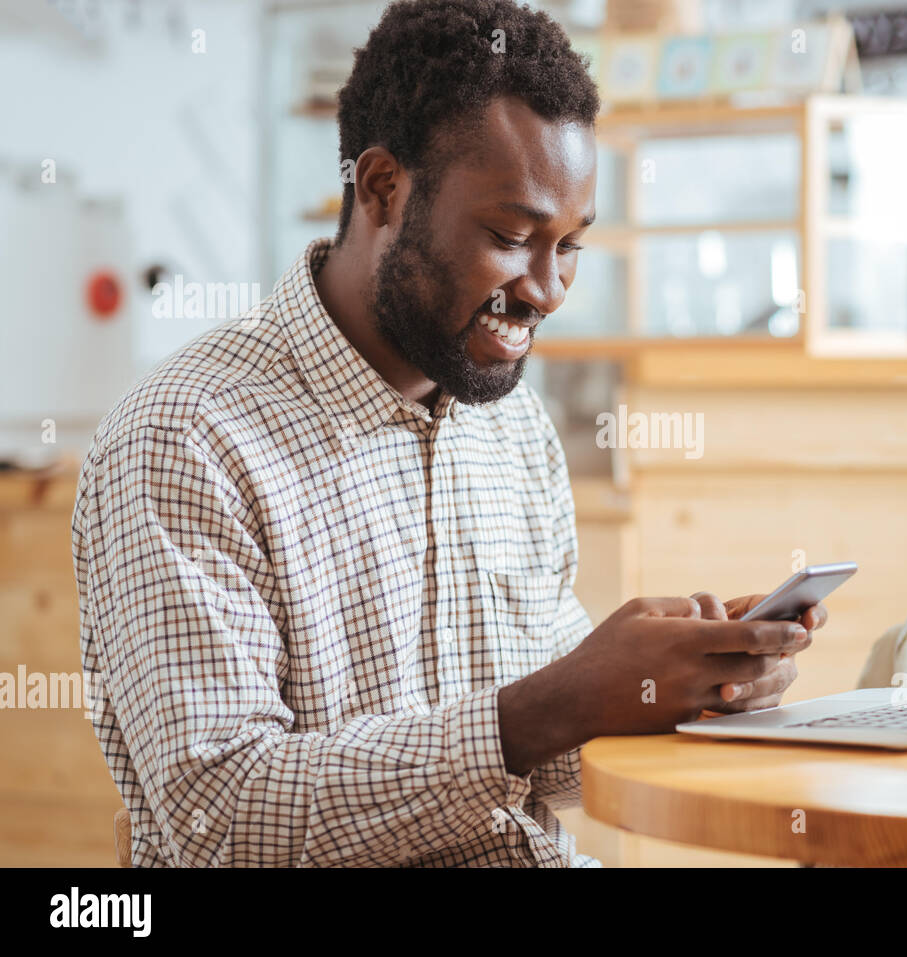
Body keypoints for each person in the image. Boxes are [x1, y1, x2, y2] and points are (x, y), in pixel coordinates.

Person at [72, 0, 825, 868]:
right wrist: (549, 704)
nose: (547, 289)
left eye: (570, 246)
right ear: (383, 188)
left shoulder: (512, 428)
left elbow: (547, 769)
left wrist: (677, 688)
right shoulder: (184, 437)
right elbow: (224, 817)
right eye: (511, 236)